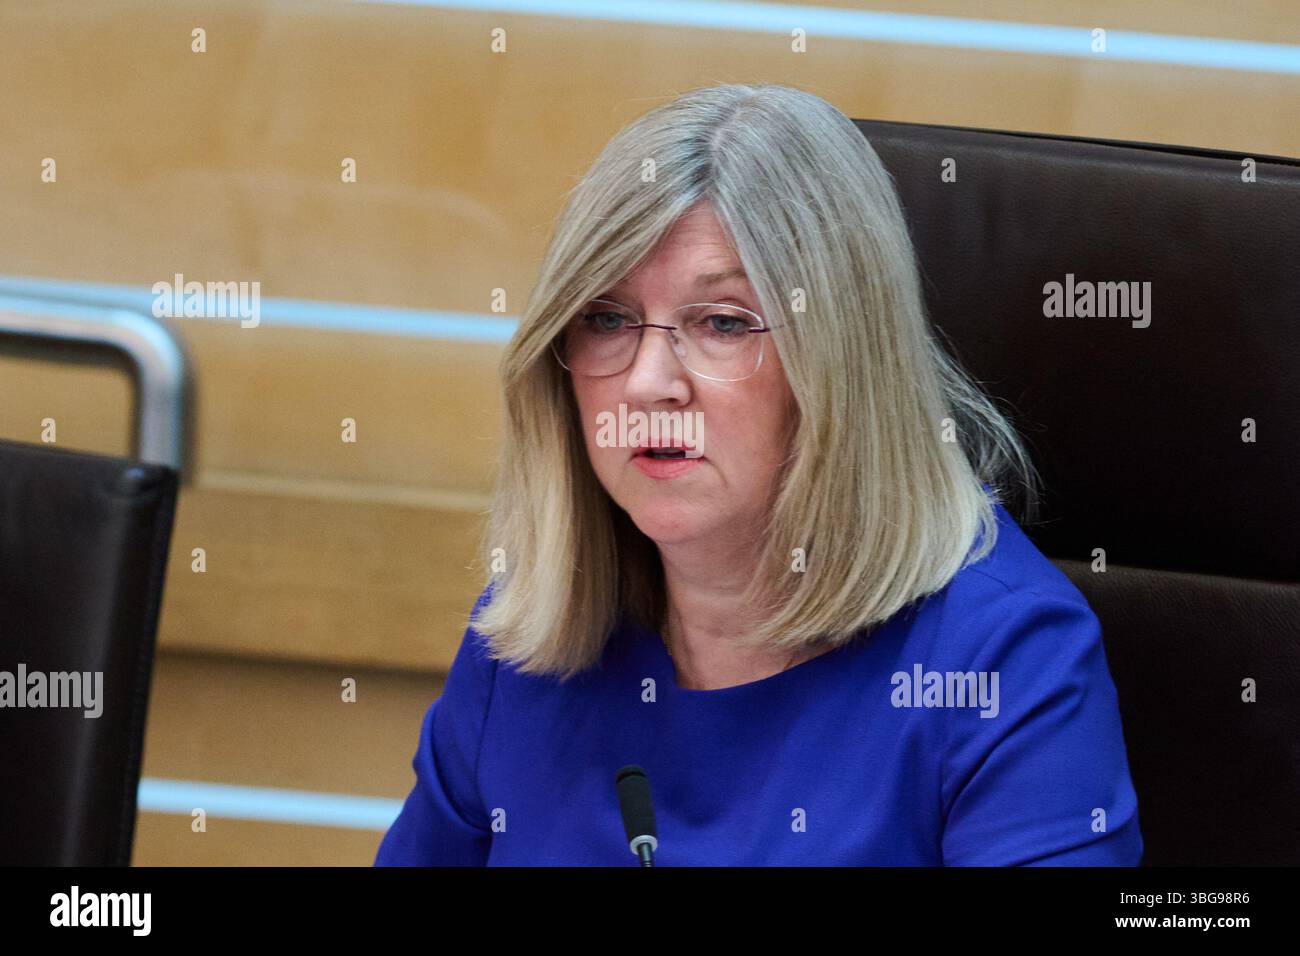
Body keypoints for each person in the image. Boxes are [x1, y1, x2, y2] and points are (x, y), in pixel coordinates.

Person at [375, 83, 1142, 866]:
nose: (647, 384)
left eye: (722, 323)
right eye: (607, 319)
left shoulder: (1001, 660)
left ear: (839, 364)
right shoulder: (532, 635)